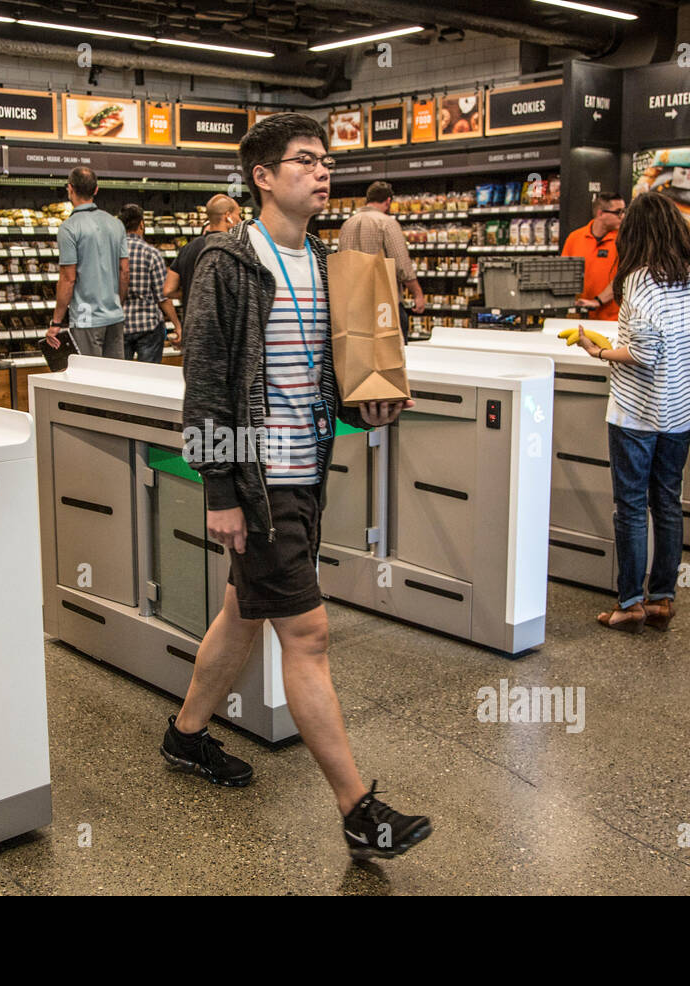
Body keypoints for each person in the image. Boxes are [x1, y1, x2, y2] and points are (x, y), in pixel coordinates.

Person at [165, 112, 431, 861]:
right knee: (307, 635)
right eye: (306, 161)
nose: (322, 173)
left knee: (242, 614)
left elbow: (315, 378)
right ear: (262, 177)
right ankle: (358, 810)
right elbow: (207, 382)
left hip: (306, 471)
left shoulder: (324, 261)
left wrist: (361, 403)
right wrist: (220, 489)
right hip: (258, 478)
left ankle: (185, 737)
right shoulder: (227, 260)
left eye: (326, 162)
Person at [572, 191, 690, 633]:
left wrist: (597, 351)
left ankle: (631, 602)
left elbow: (642, 354)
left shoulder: (639, 280)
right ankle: (663, 599)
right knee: (668, 501)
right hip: (683, 409)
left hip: (637, 411)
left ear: (635, 232)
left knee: (631, 507)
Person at [46, 167, 129, 359]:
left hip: (86, 318)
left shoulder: (69, 228)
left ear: (70, 189)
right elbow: (124, 271)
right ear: (96, 190)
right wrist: (117, 303)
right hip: (115, 317)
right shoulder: (116, 224)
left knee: (90, 380)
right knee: (116, 378)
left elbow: (68, 279)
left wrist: (56, 322)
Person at [337, 180, 424, 341]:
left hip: (354, 305)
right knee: (390, 356)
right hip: (384, 307)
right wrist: (417, 294)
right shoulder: (387, 223)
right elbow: (401, 265)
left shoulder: (347, 224)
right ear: (388, 201)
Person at [119, 204, 179, 363]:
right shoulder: (151, 253)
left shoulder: (111, 252)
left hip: (119, 326)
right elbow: (162, 296)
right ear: (141, 224)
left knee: (119, 379)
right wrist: (177, 325)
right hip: (148, 326)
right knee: (149, 378)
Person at [164, 193, 240, 316]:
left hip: (191, 324)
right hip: (219, 327)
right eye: (238, 215)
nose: (240, 220)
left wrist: (191, 294)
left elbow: (168, 290)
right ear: (228, 216)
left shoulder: (187, 248)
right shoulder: (231, 249)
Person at [562, 191, 624, 320]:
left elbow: (623, 278)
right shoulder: (575, 238)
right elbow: (563, 275)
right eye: (618, 212)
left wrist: (597, 301)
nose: (622, 216)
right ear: (600, 213)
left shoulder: (624, 240)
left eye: (624, 211)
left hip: (612, 320)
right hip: (579, 318)